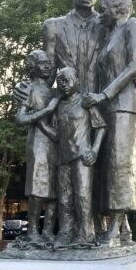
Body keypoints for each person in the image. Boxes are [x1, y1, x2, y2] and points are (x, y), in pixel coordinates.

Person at [83, 0, 136, 246]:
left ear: (116, 8)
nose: (100, 14)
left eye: (103, 8)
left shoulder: (131, 24)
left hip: (124, 106)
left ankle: (115, 230)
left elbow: (133, 66)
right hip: (108, 108)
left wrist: (103, 95)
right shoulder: (108, 35)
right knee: (107, 168)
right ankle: (125, 229)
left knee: (120, 165)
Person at [50, 67, 107, 246]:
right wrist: (36, 121)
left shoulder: (85, 101)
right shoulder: (57, 106)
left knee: (82, 195)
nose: (63, 85)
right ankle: (66, 232)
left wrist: (95, 151)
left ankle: (86, 234)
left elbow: (101, 126)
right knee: (65, 198)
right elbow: (56, 134)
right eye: (60, 82)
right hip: (63, 158)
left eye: (67, 80)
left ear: (77, 80)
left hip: (83, 157)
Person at [15, 50, 60, 243]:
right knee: (37, 188)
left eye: (48, 63)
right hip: (38, 142)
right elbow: (20, 118)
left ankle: (48, 230)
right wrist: (44, 113)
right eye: (42, 63)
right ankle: (33, 231)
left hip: (56, 142)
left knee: (55, 190)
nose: (47, 66)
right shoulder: (29, 89)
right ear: (33, 67)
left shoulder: (57, 91)